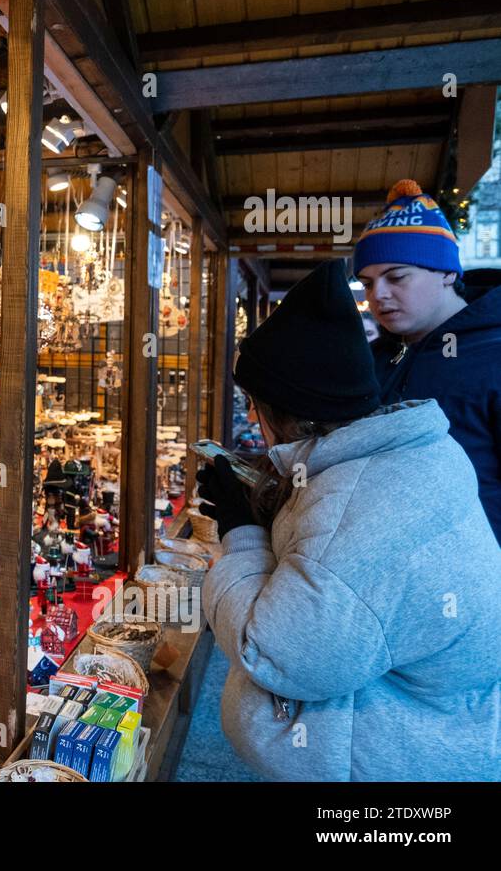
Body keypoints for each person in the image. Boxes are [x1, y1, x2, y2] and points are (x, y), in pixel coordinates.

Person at [197, 259, 501, 782]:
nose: (252, 420)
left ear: (289, 413)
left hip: (404, 772)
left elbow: (274, 652)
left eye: (255, 405)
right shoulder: (406, 449)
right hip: (452, 726)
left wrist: (241, 532)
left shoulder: (352, 501)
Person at [355, 179, 501, 540]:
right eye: (368, 283)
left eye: (396, 276)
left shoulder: (493, 354)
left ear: (448, 273)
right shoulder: (373, 359)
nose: (379, 295)